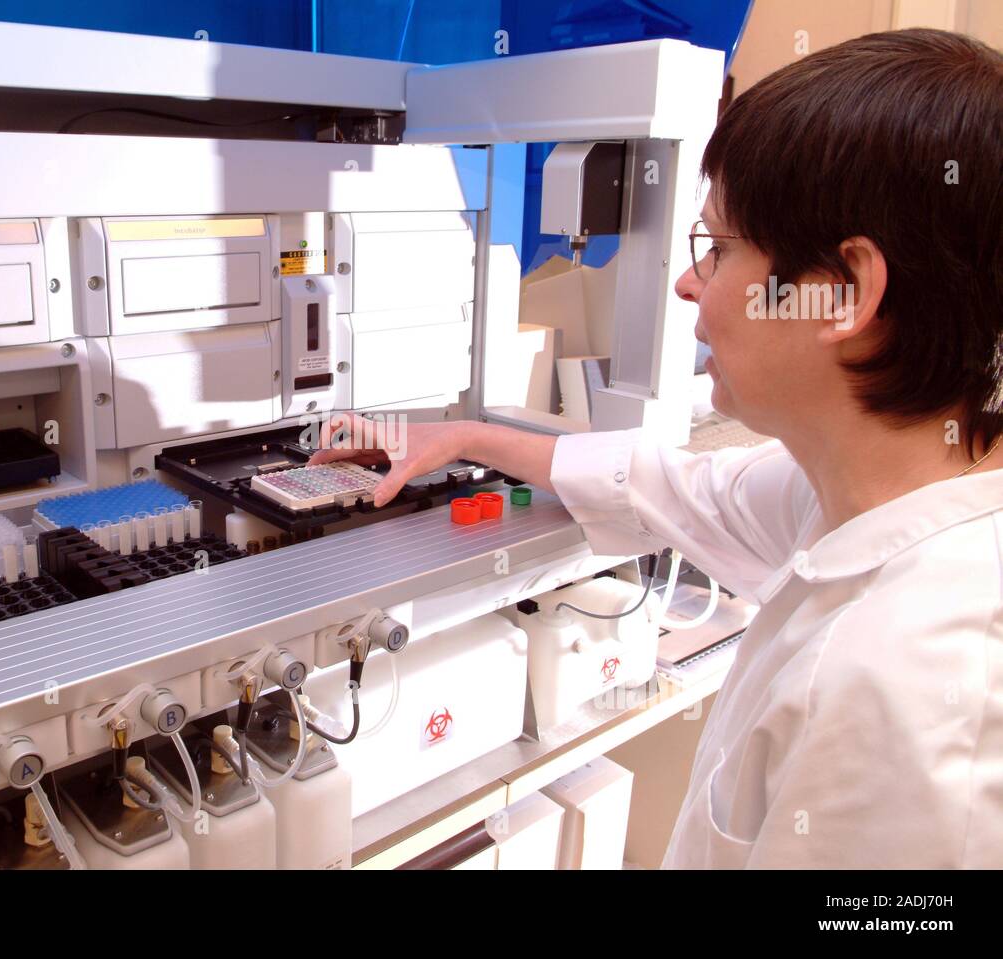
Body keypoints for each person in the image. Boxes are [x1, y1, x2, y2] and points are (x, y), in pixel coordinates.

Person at [311, 29, 1003, 868]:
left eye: (717, 248)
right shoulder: (867, 488)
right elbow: (668, 485)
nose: (687, 282)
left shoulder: (905, 688)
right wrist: (463, 436)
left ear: (839, 293)